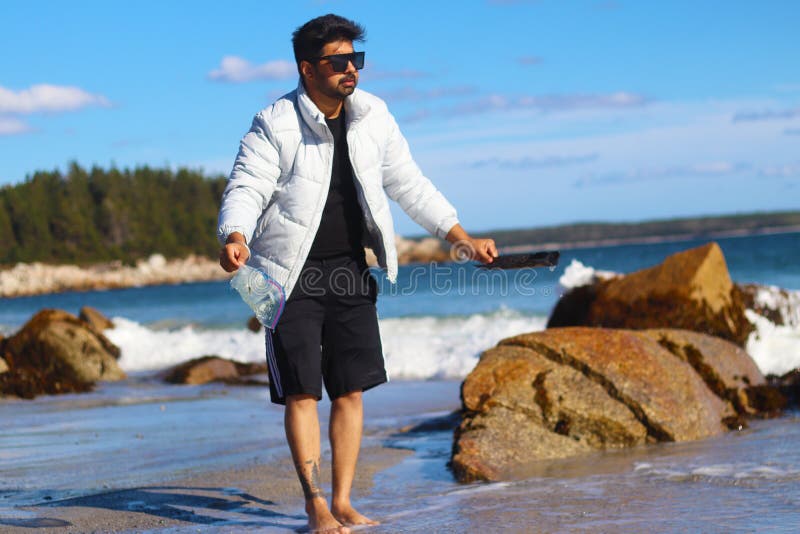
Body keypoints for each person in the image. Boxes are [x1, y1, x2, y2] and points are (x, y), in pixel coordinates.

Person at [217, 13, 497, 533]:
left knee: (350, 389)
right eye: (337, 61)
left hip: (350, 271)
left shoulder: (374, 117)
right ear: (307, 69)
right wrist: (234, 235)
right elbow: (246, 186)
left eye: (356, 59)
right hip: (281, 276)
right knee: (301, 391)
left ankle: (343, 501)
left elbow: (410, 184)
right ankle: (315, 504)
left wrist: (460, 236)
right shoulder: (272, 123)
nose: (351, 69)